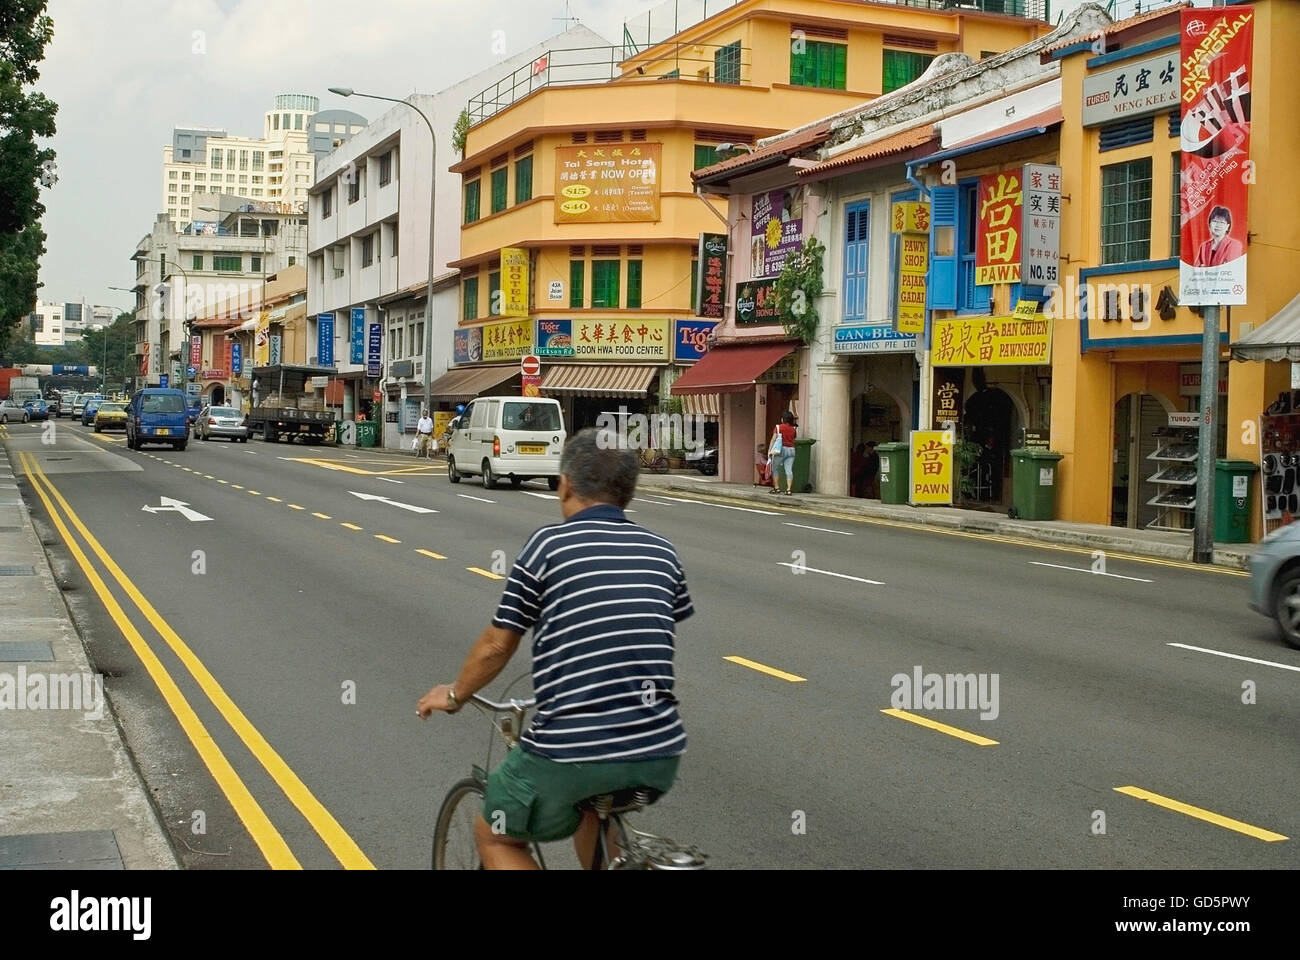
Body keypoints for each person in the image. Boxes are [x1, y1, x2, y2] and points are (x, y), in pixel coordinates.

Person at [416, 428, 692, 870]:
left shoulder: (548, 545)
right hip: (660, 749)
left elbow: (496, 645)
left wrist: (454, 696)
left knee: (496, 836)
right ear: (627, 493)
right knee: (592, 811)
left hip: (573, 748)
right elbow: (647, 626)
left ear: (565, 484)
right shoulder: (663, 552)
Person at [770, 411, 797, 495]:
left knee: (775, 468)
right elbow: (793, 439)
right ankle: (788, 489)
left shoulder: (778, 427)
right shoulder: (794, 429)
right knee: (788, 470)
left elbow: (773, 439)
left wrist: (770, 450)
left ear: (783, 419)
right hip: (791, 450)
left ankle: (777, 488)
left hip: (780, 450)